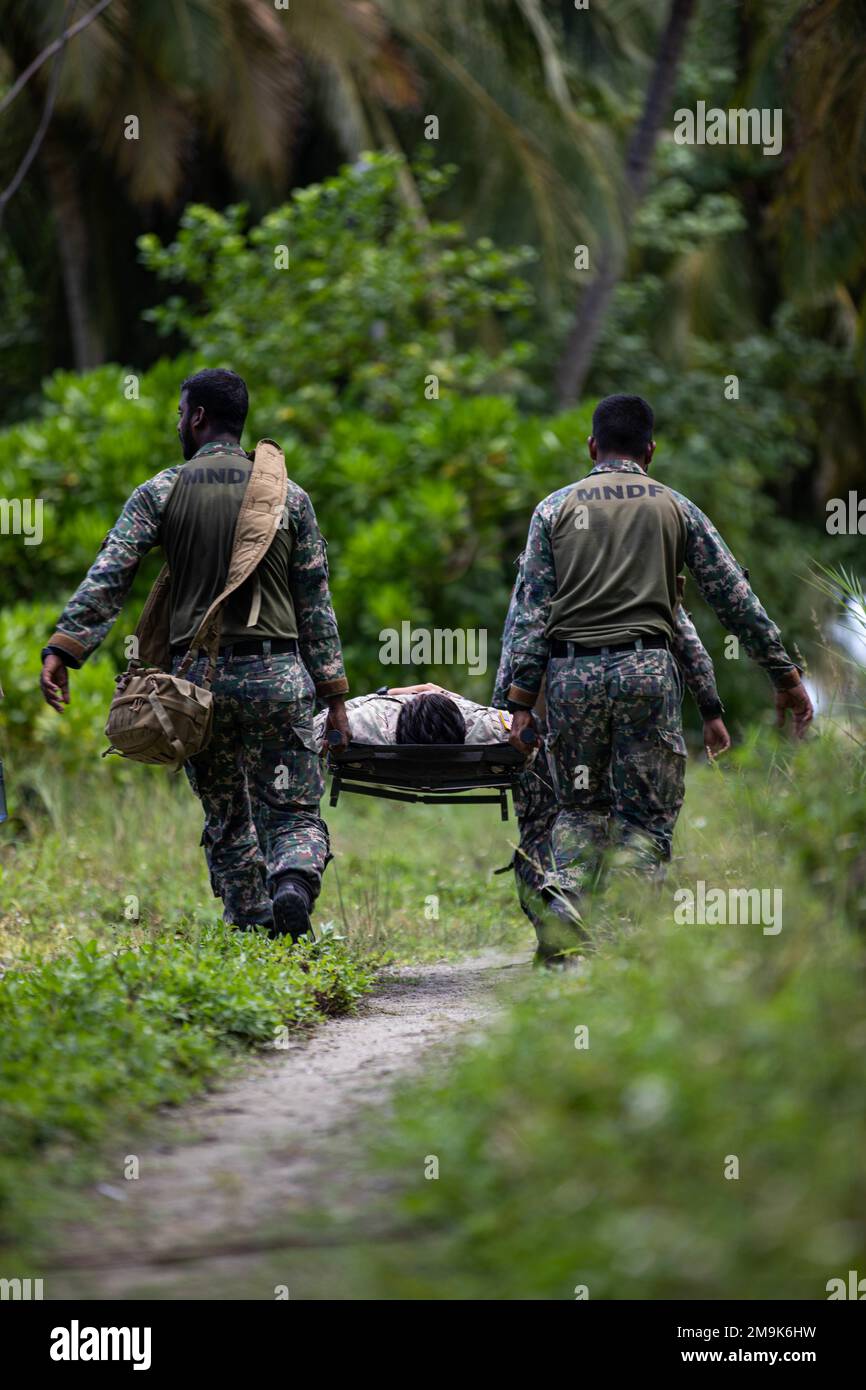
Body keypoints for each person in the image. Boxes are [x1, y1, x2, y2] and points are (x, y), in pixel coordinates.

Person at [39, 368, 350, 941]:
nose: (177, 423)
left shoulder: (162, 490)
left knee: (228, 816)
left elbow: (112, 572)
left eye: (180, 413)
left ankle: (253, 931)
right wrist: (334, 697)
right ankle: (292, 884)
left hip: (197, 686)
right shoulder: (290, 496)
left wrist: (67, 646)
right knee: (292, 810)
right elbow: (317, 606)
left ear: (198, 417)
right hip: (278, 677)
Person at [505, 393, 811, 929]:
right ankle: (631, 930)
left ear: (592, 446)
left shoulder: (553, 510)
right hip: (645, 672)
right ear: (651, 450)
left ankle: (566, 901)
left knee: (579, 805)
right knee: (643, 818)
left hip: (572, 677)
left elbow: (530, 617)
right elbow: (733, 597)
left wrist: (518, 702)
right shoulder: (675, 507)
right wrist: (782, 673)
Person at [494, 554, 730, 962]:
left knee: (568, 814)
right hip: (639, 688)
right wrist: (709, 705)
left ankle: (562, 914)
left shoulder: (546, 559)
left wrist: (508, 711)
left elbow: (519, 636)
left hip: (560, 704)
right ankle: (625, 933)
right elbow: (684, 637)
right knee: (640, 818)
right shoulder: (641, 565)